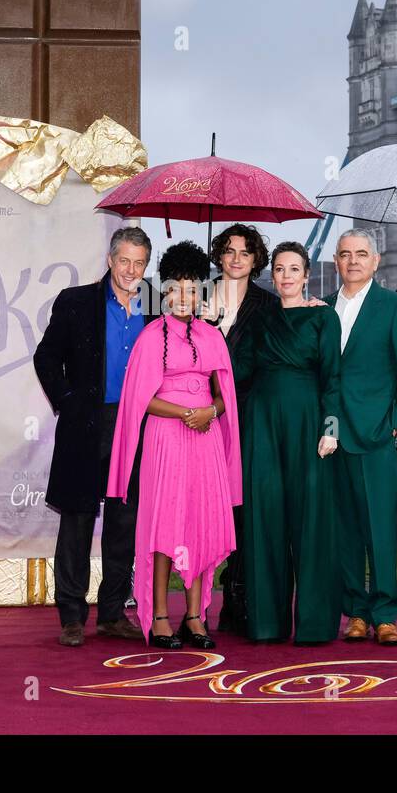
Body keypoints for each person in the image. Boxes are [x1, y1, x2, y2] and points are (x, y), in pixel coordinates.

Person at [107, 240, 241, 649]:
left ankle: (196, 616)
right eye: (175, 288)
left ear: (201, 291)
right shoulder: (150, 337)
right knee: (166, 524)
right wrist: (186, 414)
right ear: (164, 291)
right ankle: (161, 615)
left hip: (206, 441)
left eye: (192, 288)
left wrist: (210, 412)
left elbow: (225, 395)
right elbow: (140, 400)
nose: (183, 296)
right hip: (167, 438)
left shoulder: (213, 337)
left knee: (202, 522)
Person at [33, 226, 159, 647]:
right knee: (78, 519)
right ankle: (71, 616)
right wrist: (67, 400)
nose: (131, 270)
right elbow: (46, 356)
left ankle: (111, 613)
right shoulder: (76, 301)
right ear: (109, 259)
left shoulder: (157, 305)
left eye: (139, 263)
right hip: (86, 424)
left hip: (137, 424)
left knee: (125, 521)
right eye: (124, 260)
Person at [231, 241, 342, 644]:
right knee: (264, 519)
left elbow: (333, 377)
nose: (287, 275)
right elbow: (237, 369)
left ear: (307, 275)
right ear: (272, 274)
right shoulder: (259, 320)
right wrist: (213, 331)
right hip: (261, 423)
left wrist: (331, 427)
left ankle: (314, 624)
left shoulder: (324, 319)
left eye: (295, 268)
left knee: (310, 519)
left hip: (308, 423)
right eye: (280, 268)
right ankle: (266, 623)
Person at [326, 229, 397, 645]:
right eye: (346, 254)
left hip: (376, 437)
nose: (353, 261)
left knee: (380, 530)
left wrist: (394, 424)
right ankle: (355, 613)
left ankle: (386, 614)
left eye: (361, 254)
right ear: (335, 261)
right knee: (345, 530)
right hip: (331, 439)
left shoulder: (394, 307)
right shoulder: (322, 308)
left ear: (376, 260)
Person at [201, 223, 278, 635]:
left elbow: (270, 359)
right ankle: (197, 609)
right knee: (204, 510)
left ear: (255, 259)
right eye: (228, 250)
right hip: (199, 419)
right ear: (218, 254)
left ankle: (238, 598)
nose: (235, 258)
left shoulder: (267, 305)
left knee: (243, 511)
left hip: (248, 419)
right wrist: (208, 326)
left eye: (245, 252)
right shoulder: (194, 298)